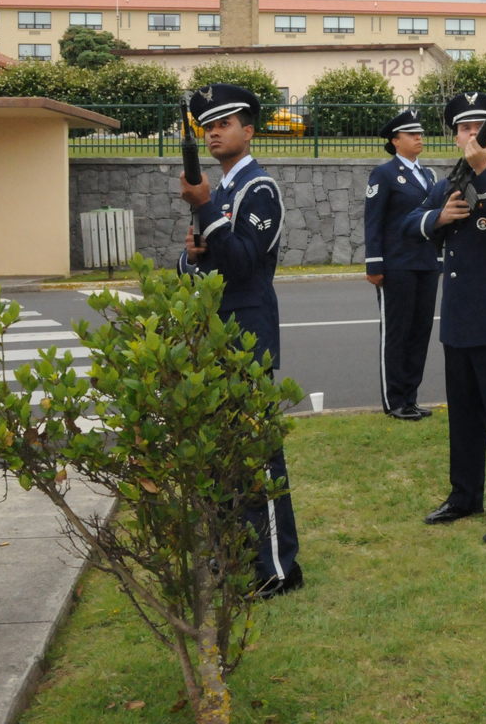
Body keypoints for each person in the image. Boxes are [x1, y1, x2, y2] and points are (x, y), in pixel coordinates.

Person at [179, 83, 302, 597]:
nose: (213, 132)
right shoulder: (221, 191)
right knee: (223, 456)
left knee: (256, 454)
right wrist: (190, 253)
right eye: (207, 125)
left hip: (247, 337)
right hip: (213, 334)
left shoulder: (258, 189)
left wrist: (206, 209)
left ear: (248, 131)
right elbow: (200, 264)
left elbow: (243, 262)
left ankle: (276, 567)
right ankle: (237, 554)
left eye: (224, 123)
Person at [402, 92, 486, 543]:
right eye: (463, 129)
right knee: (463, 418)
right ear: (455, 137)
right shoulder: (447, 182)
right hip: (459, 317)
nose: (470, 135)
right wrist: (438, 218)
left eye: (479, 128)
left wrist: (483, 172)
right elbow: (407, 224)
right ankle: (465, 496)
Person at [363, 110, 440, 420]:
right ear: (395, 141)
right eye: (411, 134)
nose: (419, 137)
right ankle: (394, 400)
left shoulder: (429, 175)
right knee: (397, 333)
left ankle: (411, 398)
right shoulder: (383, 174)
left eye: (420, 133)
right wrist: (374, 264)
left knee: (420, 332)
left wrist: (438, 258)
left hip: (426, 263)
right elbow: (373, 221)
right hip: (397, 265)